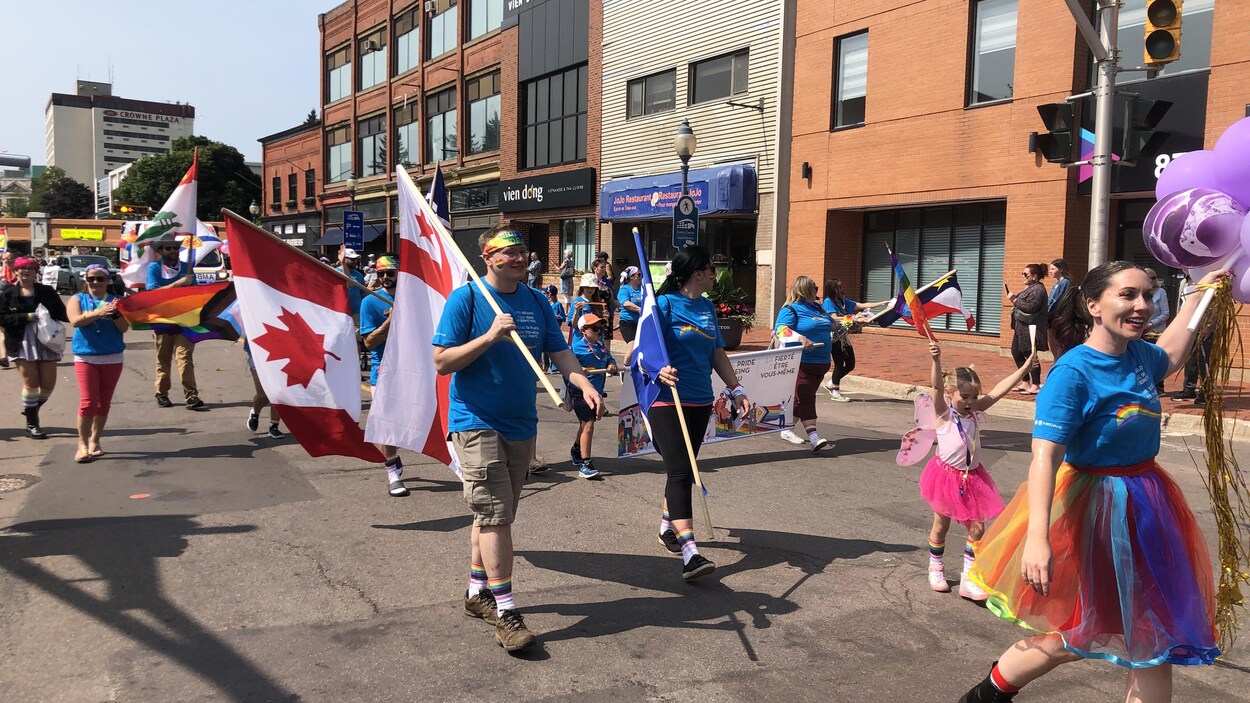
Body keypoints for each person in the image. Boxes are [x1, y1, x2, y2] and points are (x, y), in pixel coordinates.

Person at [959, 261, 1223, 703]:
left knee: (1152, 636)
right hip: (1094, 511)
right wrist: (1037, 539)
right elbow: (1044, 458)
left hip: (1147, 504)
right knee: (1077, 633)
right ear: (1093, 305)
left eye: (1147, 295)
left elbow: (1173, 352)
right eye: (1128, 295)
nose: (1142, 305)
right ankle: (988, 694)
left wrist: (1201, 292)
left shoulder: (1140, 354)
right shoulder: (1073, 373)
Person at [433, 224, 604, 653]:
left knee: (496, 513)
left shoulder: (536, 301)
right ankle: (507, 613)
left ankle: (477, 591)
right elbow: (442, 361)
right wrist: (490, 336)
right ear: (488, 258)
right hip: (475, 420)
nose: (519, 257)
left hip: (521, 423)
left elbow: (560, 352)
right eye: (508, 252)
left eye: (522, 251)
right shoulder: (467, 299)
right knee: (496, 516)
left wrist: (583, 382)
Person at [647, 245, 750, 581]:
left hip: (699, 400)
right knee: (681, 471)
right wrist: (658, 368)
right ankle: (690, 552)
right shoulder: (663, 305)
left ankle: (667, 527)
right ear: (697, 272)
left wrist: (736, 389)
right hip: (667, 399)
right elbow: (641, 350)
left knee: (683, 470)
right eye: (711, 269)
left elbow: (717, 352)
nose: (715, 275)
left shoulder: (706, 306)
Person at [918, 340, 1036, 600]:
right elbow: (936, 387)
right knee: (941, 525)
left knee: (977, 529)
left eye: (974, 396)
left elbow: (999, 392)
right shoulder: (945, 415)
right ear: (950, 395)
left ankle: (969, 579)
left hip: (972, 477)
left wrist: (1024, 369)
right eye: (964, 397)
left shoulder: (974, 412)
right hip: (947, 477)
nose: (971, 402)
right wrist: (936, 360)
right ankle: (935, 568)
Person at [0, 257, 69, 438]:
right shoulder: (7, 293)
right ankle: (32, 423)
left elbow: (63, 313)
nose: (26, 272)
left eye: (30, 269)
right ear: (16, 271)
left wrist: (85, 315)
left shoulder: (46, 291)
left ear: (35, 272)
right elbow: (2, 318)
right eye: (22, 269)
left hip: (47, 339)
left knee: (48, 385)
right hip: (21, 340)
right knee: (31, 383)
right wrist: (28, 317)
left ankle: (31, 408)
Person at [66, 265, 129, 461]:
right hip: (86, 358)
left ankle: (95, 440)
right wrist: (99, 313)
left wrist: (115, 314)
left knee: (103, 403)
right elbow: (75, 321)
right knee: (88, 402)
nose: (95, 282)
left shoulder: (116, 301)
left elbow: (124, 328)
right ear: (85, 280)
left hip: (112, 357)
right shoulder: (78, 299)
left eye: (100, 279)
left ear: (107, 281)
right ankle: (82, 444)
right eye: (91, 278)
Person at [360, 255, 406, 497]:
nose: (385, 277)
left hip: (413, 369)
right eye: (380, 273)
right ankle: (393, 474)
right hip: (383, 371)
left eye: (390, 272)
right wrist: (390, 321)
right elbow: (368, 342)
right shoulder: (370, 302)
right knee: (387, 425)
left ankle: (393, 457)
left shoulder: (415, 298)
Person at [773, 275, 835, 451]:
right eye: (814, 288)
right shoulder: (791, 309)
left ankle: (786, 428)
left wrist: (851, 322)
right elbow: (780, 330)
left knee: (801, 399)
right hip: (801, 363)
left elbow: (832, 325)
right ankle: (814, 437)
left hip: (821, 363)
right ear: (805, 290)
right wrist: (800, 338)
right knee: (807, 398)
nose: (817, 292)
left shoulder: (818, 309)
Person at [146, 234, 204, 409]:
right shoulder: (154, 268)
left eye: (175, 247)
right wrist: (178, 284)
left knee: (185, 357)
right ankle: (162, 393)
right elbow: (153, 293)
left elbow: (196, 293)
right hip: (163, 319)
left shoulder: (187, 267)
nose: (173, 251)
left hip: (185, 319)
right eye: (168, 248)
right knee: (163, 359)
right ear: (161, 251)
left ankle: (191, 396)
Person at [567, 313, 618, 479]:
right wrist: (578, 369)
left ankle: (576, 450)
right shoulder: (575, 348)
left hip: (596, 393)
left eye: (601, 328)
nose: (599, 331)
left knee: (585, 424)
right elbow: (563, 367)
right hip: (579, 392)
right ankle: (585, 464)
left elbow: (610, 359)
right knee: (588, 424)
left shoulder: (602, 347)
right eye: (595, 328)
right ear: (583, 330)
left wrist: (612, 364)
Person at [821, 278, 889, 402]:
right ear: (832, 289)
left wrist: (882, 303)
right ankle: (836, 392)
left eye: (841, 286)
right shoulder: (828, 302)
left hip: (844, 336)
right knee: (839, 363)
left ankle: (832, 382)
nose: (841, 289)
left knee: (850, 364)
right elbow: (834, 318)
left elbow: (861, 305)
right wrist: (854, 318)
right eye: (838, 287)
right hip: (834, 337)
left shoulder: (843, 302)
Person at [1005, 263, 1048, 395]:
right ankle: (1025, 382)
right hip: (1021, 328)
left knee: (1031, 355)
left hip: (1031, 328)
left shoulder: (1038, 290)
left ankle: (1035, 384)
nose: (1023, 276)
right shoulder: (1030, 288)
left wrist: (1014, 300)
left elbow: (1030, 307)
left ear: (1034, 276)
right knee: (1016, 352)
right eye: (1022, 274)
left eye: (1025, 274)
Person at [244, 341, 285, 440]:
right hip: (257, 352)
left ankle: (274, 426)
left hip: (281, 352)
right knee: (263, 394)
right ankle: (255, 412)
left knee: (278, 392)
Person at [617, 266, 643, 343]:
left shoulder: (642, 289)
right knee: (633, 346)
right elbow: (626, 303)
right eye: (639, 275)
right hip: (627, 323)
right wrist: (641, 310)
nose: (641, 277)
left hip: (640, 323)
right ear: (631, 277)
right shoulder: (625, 289)